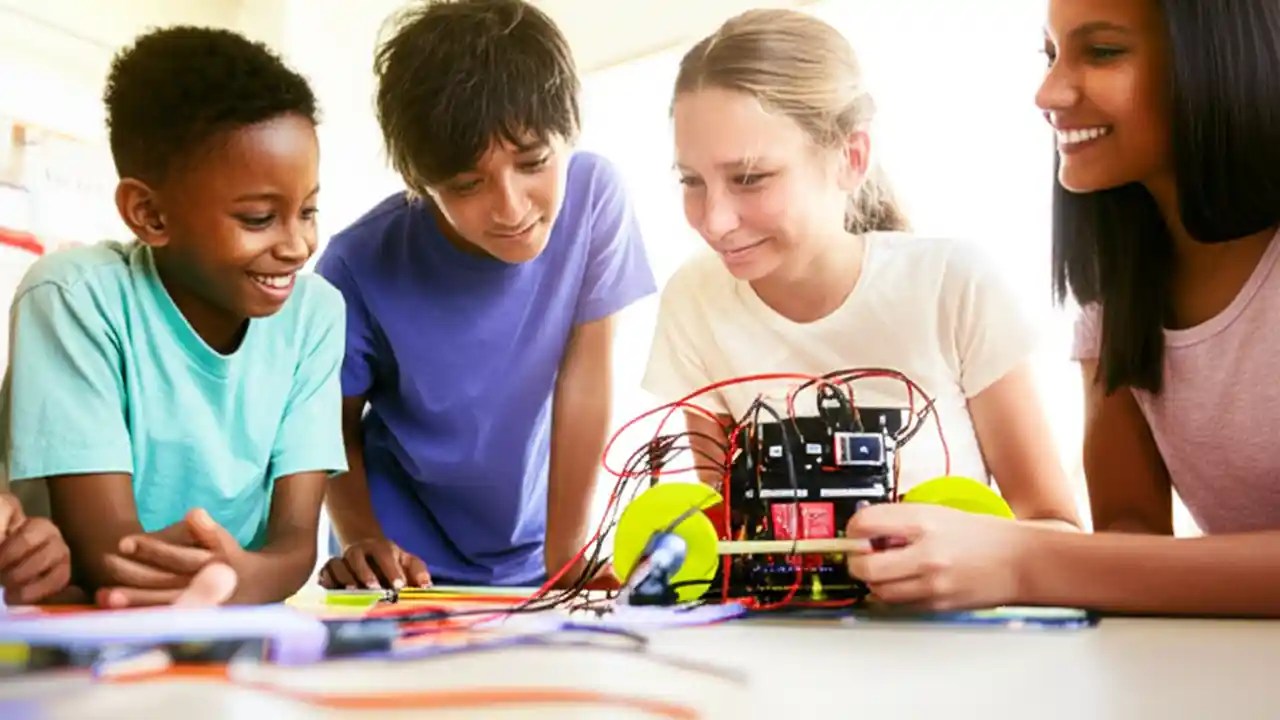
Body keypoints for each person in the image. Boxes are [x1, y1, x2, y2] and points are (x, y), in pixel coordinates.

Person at [843, 0, 1280, 617]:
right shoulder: (1118, 294)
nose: (1047, 92)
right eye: (1051, 54)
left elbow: (1101, 564)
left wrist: (1022, 559)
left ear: (1220, 62)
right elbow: (1131, 537)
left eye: (1101, 52)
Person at [641, 10, 1080, 530]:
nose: (713, 221)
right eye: (692, 181)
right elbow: (729, 538)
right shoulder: (695, 301)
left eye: (750, 178)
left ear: (851, 156)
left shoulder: (953, 285)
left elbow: (1055, 527)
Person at [314, 0, 655, 590]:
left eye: (533, 163)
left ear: (567, 135)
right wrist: (363, 539)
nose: (512, 207)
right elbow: (327, 425)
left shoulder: (595, 197)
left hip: (537, 548)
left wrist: (567, 558)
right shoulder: (357, 264)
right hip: (403, 561)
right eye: (467, 184)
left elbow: (585, 376)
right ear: (418, 181)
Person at [0, 26, 345, 608]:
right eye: (260, 218)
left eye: (307, 209)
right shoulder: (74, 297)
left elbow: (293, 547)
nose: (297, 245)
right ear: (149, 214)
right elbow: (108, 554)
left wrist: (238, 579)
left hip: (221, 626)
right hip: (85, 624)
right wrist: (238, 578)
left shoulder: (314, 315)